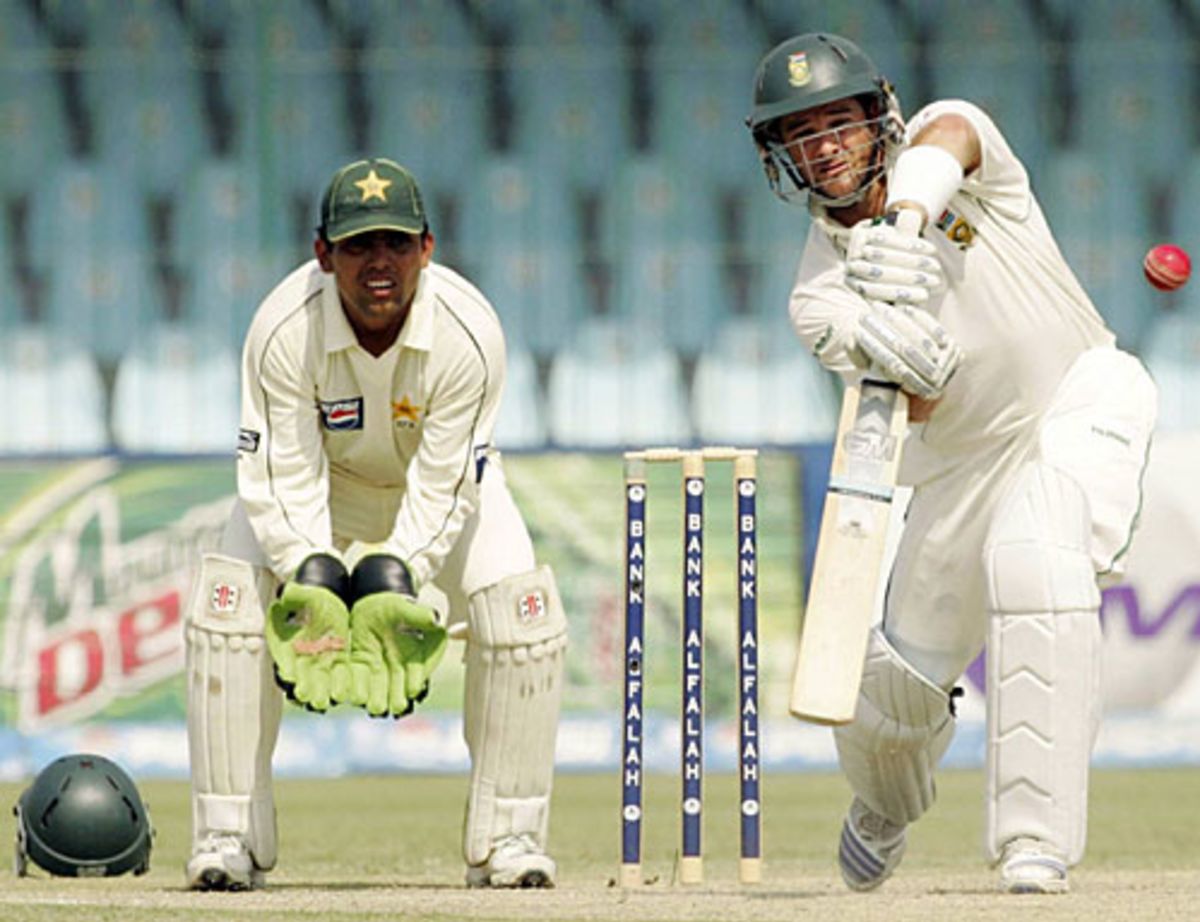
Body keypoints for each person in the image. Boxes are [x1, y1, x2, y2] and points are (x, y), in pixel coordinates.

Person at [747, 34, 1156, 894]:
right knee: (888, 703)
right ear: (781, 157)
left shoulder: (953, 146)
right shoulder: (817, 291)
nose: (823, 144)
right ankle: (884, 799)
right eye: (800, 133)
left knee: (1038, 561)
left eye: (837, 120)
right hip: (955, 470)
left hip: (1077, 399)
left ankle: (1032, 844)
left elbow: (954, 136)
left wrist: (906, 220)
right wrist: (892, 345)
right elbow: (910, 406)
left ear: (876, 117)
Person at [184, 157, 568, 891]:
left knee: (524, 617)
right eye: (358, 246)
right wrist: (315, 573)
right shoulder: (280, 329)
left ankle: (511, 840)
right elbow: (280, 479)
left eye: (395, 243)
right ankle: (226, 838)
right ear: (323, 254)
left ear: (428, 247)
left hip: (436, 502)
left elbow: (446, 486)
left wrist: (396, 579)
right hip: (319, 496)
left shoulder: (470, 332)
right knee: (227, 612)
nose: (379, 264)